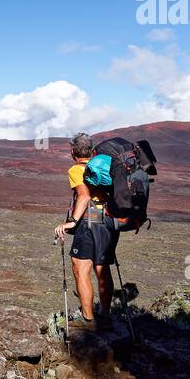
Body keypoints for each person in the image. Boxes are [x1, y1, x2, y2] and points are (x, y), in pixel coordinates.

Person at [53, 133, 121, 332]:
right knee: (102, 268)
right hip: (109, 220)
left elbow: (83, 196)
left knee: (80, 268)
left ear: (73, 151)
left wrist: (70, 223)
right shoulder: (107, 166)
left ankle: (88, 320)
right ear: (92, 151)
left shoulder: (76, 169)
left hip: (90, 221)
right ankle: (105, 316)